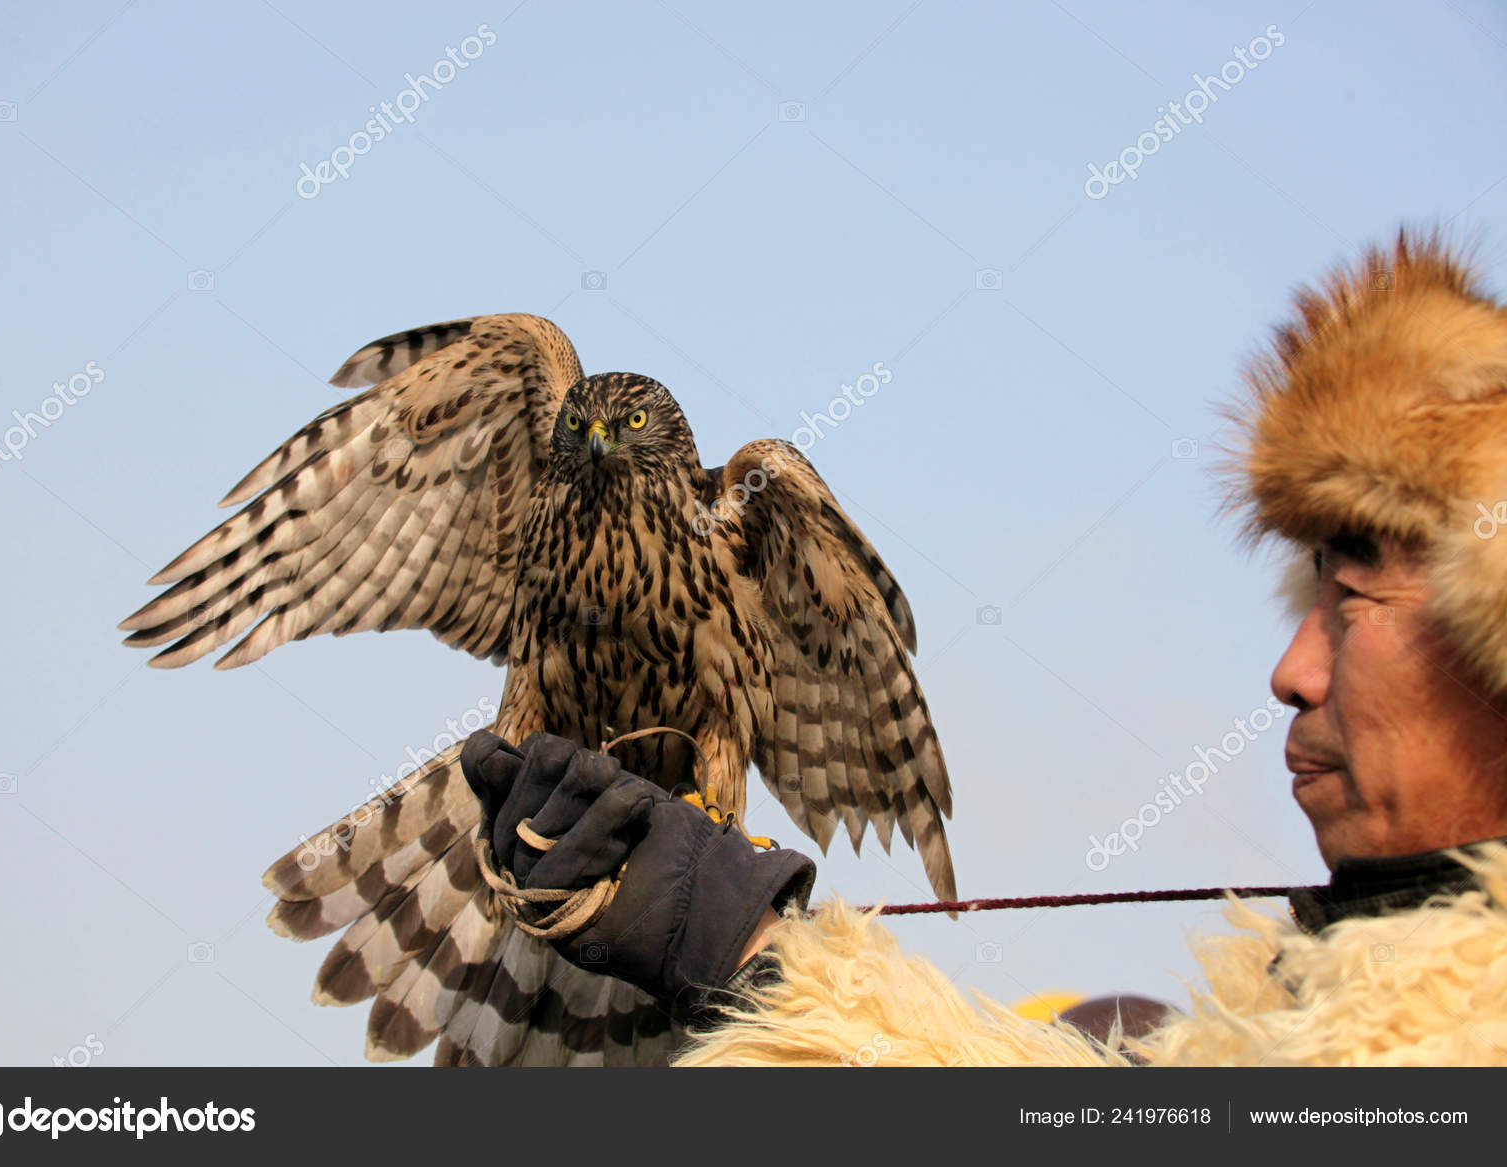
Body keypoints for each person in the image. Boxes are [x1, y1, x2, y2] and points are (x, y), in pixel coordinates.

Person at [463, 229, 1507, 1066]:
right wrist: (752, 947)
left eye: (1353, 595)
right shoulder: (1292, 1019)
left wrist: (752, 949)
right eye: (1303, 596)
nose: (1290, 672)